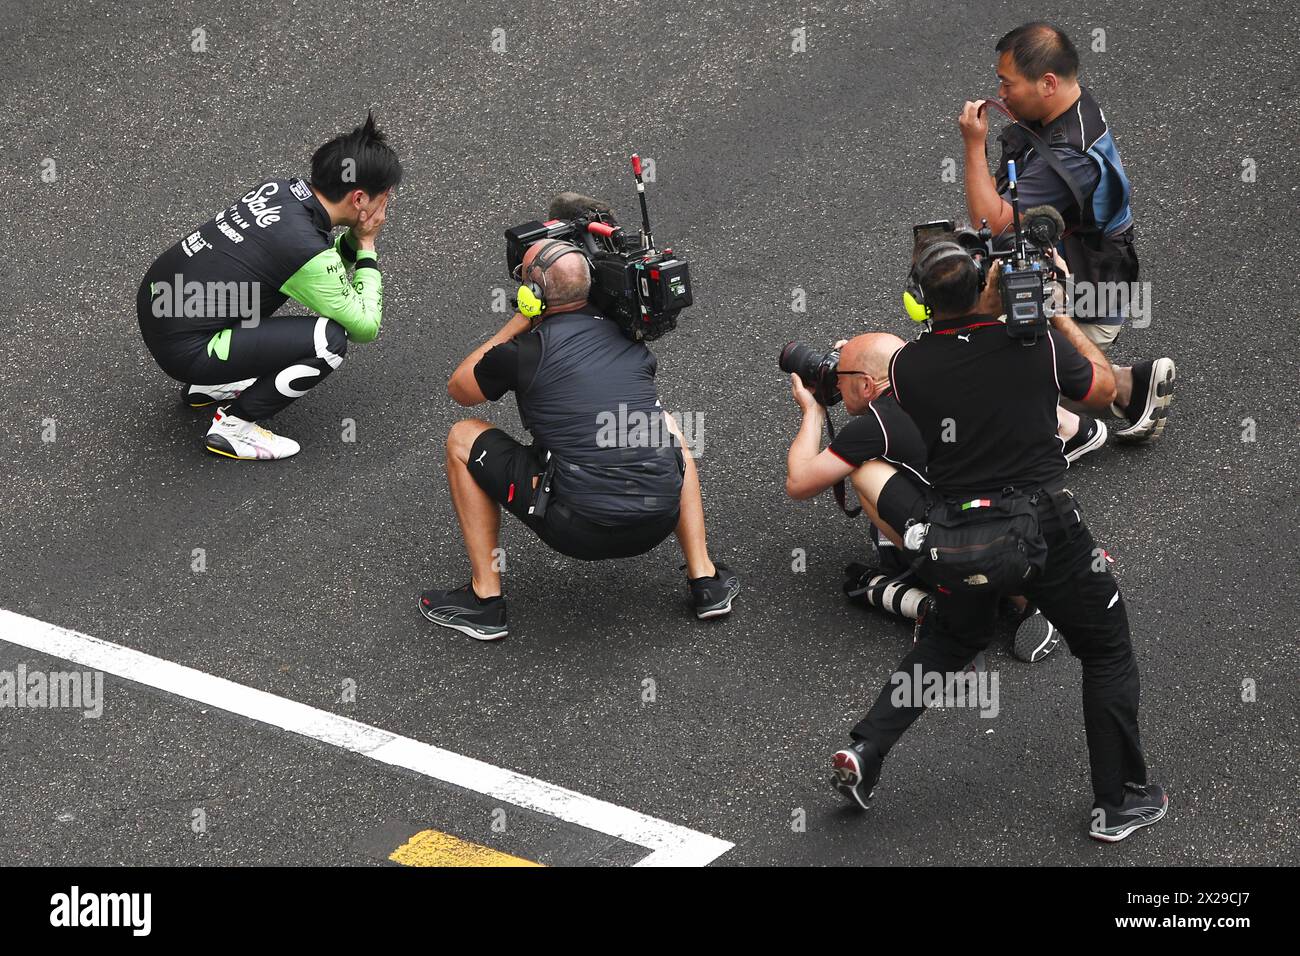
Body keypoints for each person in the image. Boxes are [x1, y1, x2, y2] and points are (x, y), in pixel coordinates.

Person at [830, 231, 1167, 842]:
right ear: (983, 282)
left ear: (921, 302)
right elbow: (1103, 389)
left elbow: (956, 347)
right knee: (1105, 649)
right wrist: (1053, 312)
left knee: (947, 643)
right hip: (1046, 525)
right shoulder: (1032, 341)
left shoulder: (908, 365)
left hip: (958, 534)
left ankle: (867, 750)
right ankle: (1118, 802)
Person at [420, 235, 738, 640]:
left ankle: (485, 602)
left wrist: (519, 320)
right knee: (667, 426)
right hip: (658, 519)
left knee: (462, 436)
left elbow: (460, 390)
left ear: (531, 293)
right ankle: (705, 580)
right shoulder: (629, 336)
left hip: (576, 529)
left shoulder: (521, 352)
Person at [959, 22, 1175, 455]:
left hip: (1088, 293)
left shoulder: (1071, 156)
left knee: (985, 357)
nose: (1000, 95)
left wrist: (972, 145)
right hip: (1078, 269)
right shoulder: (1066, 110)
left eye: (1007, 84)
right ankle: (1133, 385)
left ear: (1049, 83)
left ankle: (1072, 432)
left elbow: (994, 220)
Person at [784, 333, 1061, 664]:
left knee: (863, 469)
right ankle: (1026, 592)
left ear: (868, 385)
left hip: (978, 546)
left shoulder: (876, 427)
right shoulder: (949, 371)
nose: (836, 386)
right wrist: (856, 361)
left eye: (841, 378)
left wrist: (812, 412)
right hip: (1033, 515)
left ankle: (979, 589)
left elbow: (799, 483)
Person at [137, 114, 399, 460]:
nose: (386, 205)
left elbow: (317, 266)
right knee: (328, 341)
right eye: (385, 197)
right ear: (360, 199)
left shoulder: (277, 189)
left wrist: (352, 238)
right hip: (188, 349)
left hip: (159, 310)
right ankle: (234, 428)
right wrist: (366, 245)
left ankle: (211, 383)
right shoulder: (304, 248)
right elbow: (365, 326)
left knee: (256, 283)